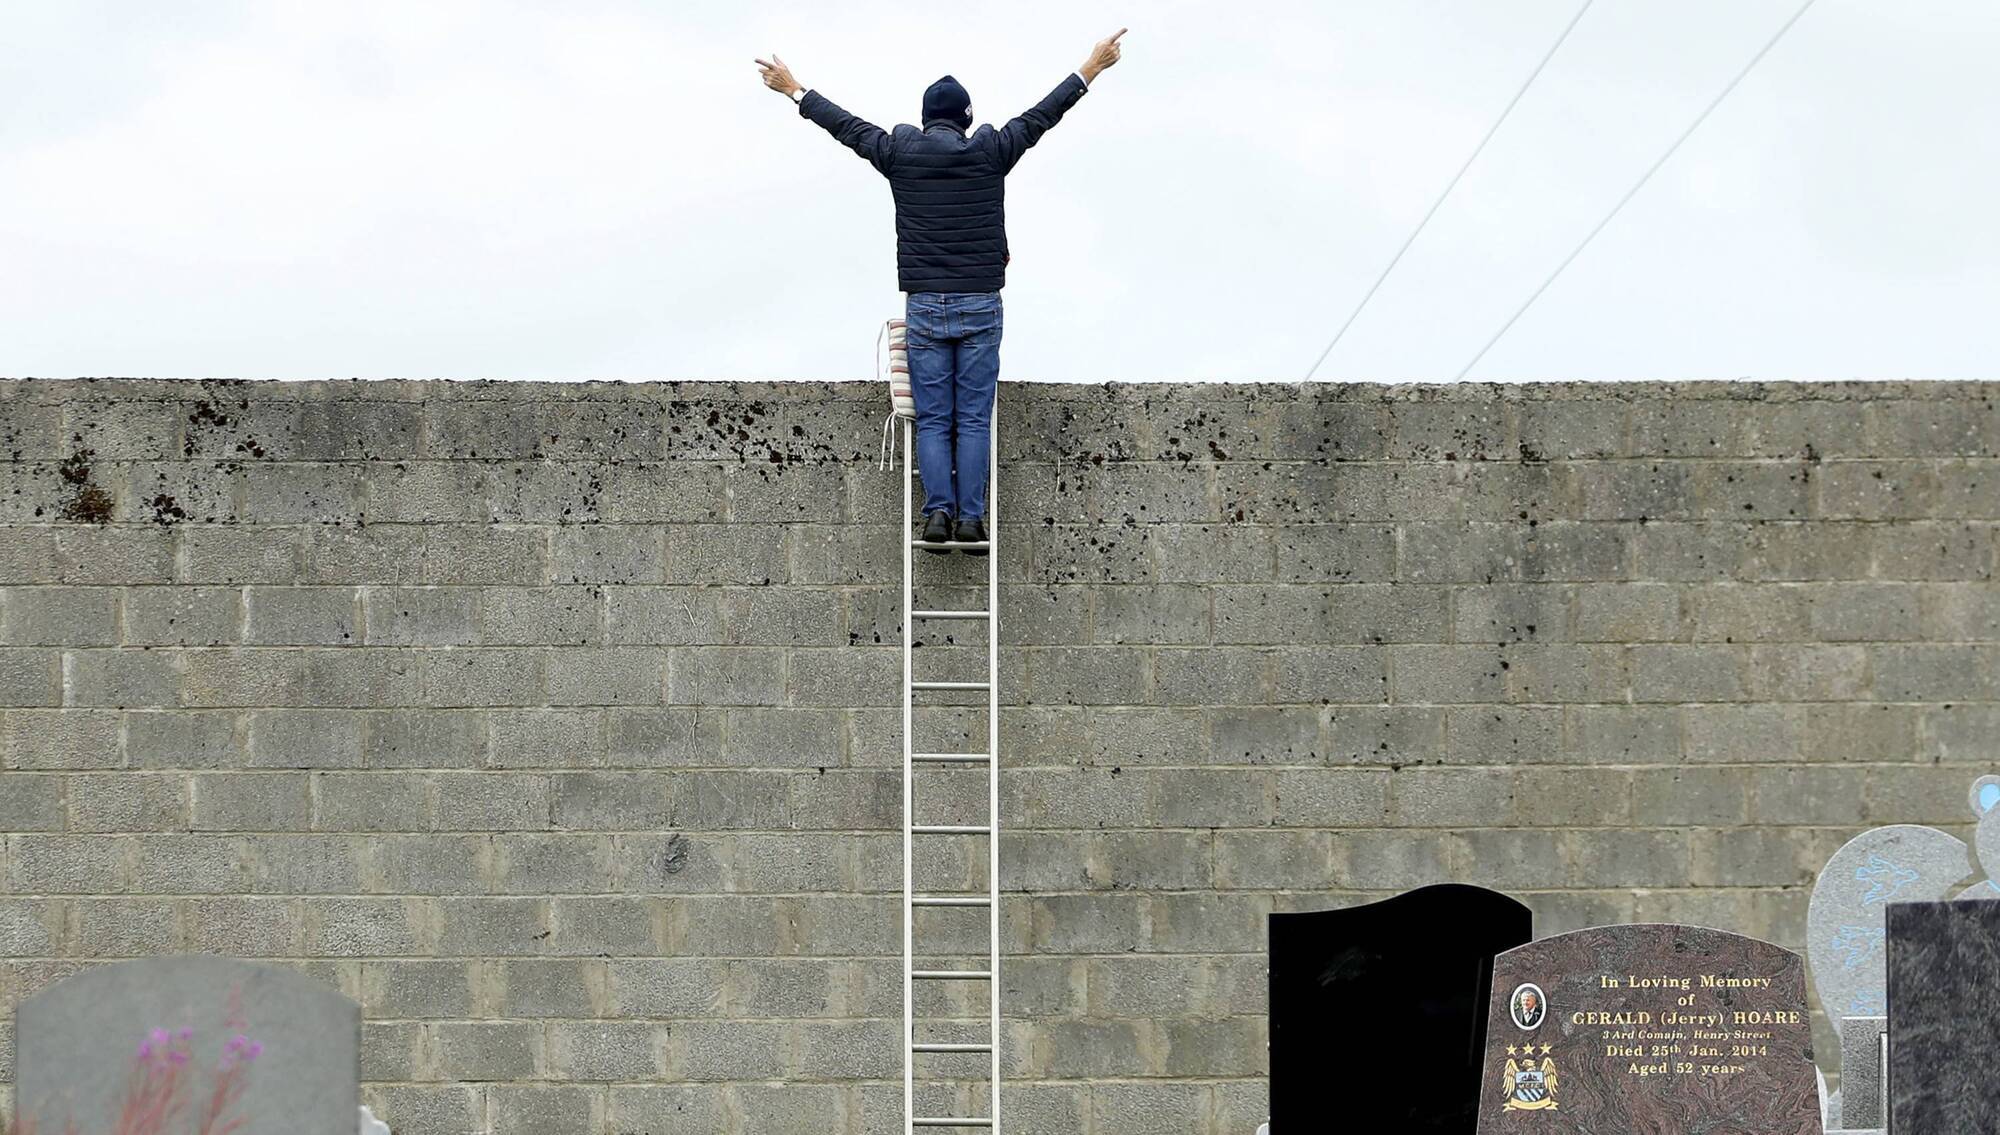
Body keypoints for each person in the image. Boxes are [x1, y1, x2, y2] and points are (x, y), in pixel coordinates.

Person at [756, 31, 1126, 552]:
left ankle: (936, 517)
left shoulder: (899, 154)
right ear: (967, 119)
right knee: (972, 418)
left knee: (934, 418)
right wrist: (1093, 66)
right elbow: (1044, 114)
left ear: (926, 118)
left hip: (926, 304)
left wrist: (794, 89)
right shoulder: (992, 151)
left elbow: (845, 126)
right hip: (980, 303)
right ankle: (972, 520)